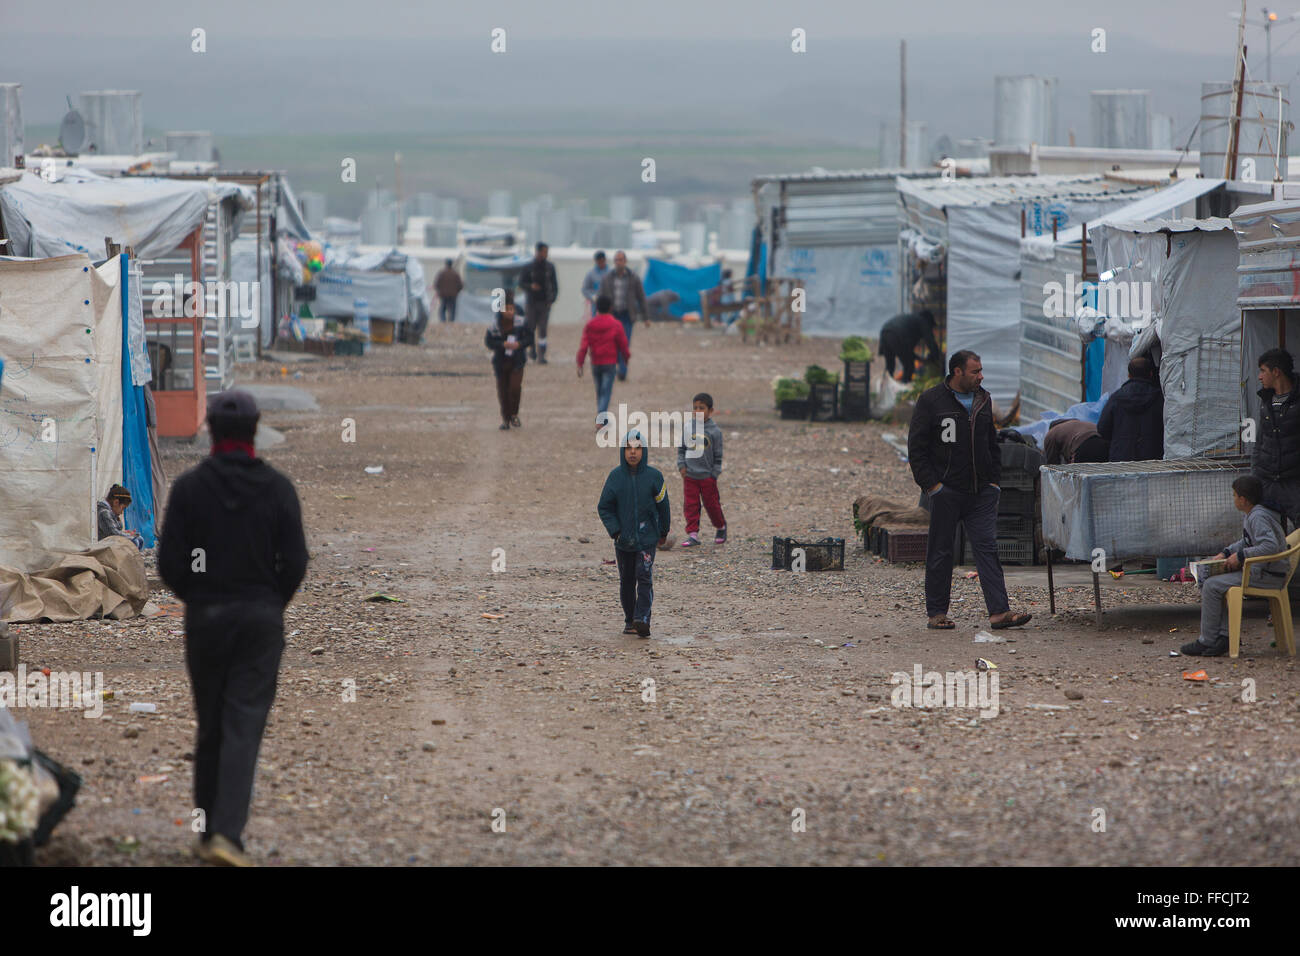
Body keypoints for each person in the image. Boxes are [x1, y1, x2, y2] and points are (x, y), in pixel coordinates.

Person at [158, 390, 308, 866]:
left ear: (210, 430)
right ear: (255, 430)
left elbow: (170, 564)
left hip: (206, 622)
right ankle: (226, 835)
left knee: (211, 725)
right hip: (260, 621)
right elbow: (296, 562)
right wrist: (270, 603)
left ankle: (207, 833)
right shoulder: (278, 489)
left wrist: (200, 597)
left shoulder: (189, 489)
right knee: (243, 723)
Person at [907, 350, 1033, 631]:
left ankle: (999, 612)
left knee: (987, 549)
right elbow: (916, 449)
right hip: (946, 492)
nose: (981, 376)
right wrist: (933, 487)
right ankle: (937, 613)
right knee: (941, 552)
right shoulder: (931, 401)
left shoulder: (983, 399)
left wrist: (994, 482)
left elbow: (992, 443)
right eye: (975, 372)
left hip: (981, 493)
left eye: (981, 371)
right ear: (957, 372)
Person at [1180, 475, 1287, 657]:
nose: (1234, 499)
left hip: (1268, 575)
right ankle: (1224, 636)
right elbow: (1247, 541)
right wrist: (1226, 553)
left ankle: (1208, 640)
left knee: (1211, 586)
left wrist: (1241, 556)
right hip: (1263, 571)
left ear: (1243, 499)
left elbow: (1270, 546)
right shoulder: (1255, 513)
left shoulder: (1257, 517)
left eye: (1234, 495)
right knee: (1212, 581)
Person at [597, 429, 670, 638]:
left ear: (644, 451)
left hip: (647, 538)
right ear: (622, 451)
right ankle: (630, 620)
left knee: (644, 577)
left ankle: (642, 619)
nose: (632, 452)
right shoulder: (615, 477)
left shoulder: (655, 477)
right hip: (623, 540)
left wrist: (663, 531)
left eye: (637, 448)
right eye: (628, 448)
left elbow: (664, 506)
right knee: (627, 580)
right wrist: (615, 531)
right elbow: (604, 507)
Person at [1252, 348, 1300, 530]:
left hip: (1293, 481)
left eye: (1263, 371)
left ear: (1276, 372)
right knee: (1263, 530)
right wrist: (1255, 475)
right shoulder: (1266, 401)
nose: (1259, 376)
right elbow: (1260, 441)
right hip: (1266, 480)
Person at [677, 392, 726, 547]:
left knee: (711, 504)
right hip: (690, 476)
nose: (698, 411)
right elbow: (681, 449)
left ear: (710, 411)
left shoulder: (715, 431)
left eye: (702, 408)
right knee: (690, 505)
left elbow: (718, 455)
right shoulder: (688, 427)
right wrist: (682, 466)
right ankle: (693, 534)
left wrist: (714, 474)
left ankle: (720, 526)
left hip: (707, 477)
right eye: (695, 408)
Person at [576, 293, 630, 429]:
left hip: (595, 362)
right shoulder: (616, 324)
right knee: (606, 391)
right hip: (609, 362)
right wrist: (626, 357)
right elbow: (623, 343)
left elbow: (584, 346)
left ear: (597, 307)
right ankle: (601, 418)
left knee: (599, 391)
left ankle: (602, 417)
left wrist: (580, 363)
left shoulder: (590, 325)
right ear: (610, 308)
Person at [1097, 355, 1164, 462]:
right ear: (1151, 374)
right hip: (1151, 458)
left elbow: (1102, 429)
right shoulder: (1160, 398)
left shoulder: (1116, 398)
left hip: (1120, 458)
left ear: (1129, 375)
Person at [597, 251, 648, 382]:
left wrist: (646, 317)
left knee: (624, 343)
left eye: (620, 260)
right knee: (613, 344)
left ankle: (622, 371)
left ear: (625, 261)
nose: (618, 262)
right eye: (616, 260)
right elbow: (600, 296)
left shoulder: (633, 278)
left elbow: (641, 297)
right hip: (612, 316)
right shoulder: (607, 278)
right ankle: (614, 367)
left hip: (627, 316)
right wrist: (599, 314)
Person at [485, 293, 532, 429]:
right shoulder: (494, 326)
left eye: (512, 309)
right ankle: (505, 419)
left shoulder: (521, 322)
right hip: (500, 363)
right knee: (503, 391)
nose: (510, 312)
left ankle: (514, 414)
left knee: (514, 388)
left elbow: (529, 338)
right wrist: (502, 344)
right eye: (507, 309)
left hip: (517, 361)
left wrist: (520, 344)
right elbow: (488, 342)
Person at [517, 242, 558, 363]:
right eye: (544, 252)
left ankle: (542, 354)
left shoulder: (550, 267)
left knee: (543, 329)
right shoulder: (528, 267)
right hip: (531, 303)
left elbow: (554, 285)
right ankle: (532, 350)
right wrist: (531, 286)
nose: (546, 254)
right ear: (538, 252)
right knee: (530, 328)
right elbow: (521, 283)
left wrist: (552, 299)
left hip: (545, 303)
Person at [879, 309, 942, 383]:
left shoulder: (912, 319)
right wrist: (937, 356)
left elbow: (908, 349)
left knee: (890, 365)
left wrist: (916, 357)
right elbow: (930, 341)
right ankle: (904, 385)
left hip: (884, 332)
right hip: (897, 335)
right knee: (909, 365)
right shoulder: (922, 321)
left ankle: (886, 385)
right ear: (929, 321)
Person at [1042, 418, 1109, 465]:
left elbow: (1052, 465)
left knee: (1078, 478)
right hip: (1106, 444)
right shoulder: (1079, 423)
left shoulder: (1051, 433)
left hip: (1084, 446)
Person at [97, 483, 144, 550]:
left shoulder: (111, 512)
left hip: (110, 541)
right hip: (104, 546)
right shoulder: (104, 512)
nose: (122, 512)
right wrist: (130, 535)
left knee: (139, 539)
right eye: (123, 508)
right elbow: (113, 533)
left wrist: (124, 533)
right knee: (134, 542)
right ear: (116, 502)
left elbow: (115, 530)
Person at [581, 250, 610, 320]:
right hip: (596, 306)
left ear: (605, 260)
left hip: (609, 305)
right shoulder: (591, 274)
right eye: (598, 261)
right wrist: (593, 297)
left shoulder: (611, 272)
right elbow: (585, 289)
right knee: (596, 322)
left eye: (602, 260)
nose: (600, 263)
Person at [433, 259, 463, 324]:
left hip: (443, 295)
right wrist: (456, 292)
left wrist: (440, 291)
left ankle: (443, 321)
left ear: (446, 264)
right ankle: (451, 322)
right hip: (453, 295)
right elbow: (460, 285)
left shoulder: (442, 273)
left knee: (443, 309)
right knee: (452, 309)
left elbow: (436, 284)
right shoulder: (455, 274)